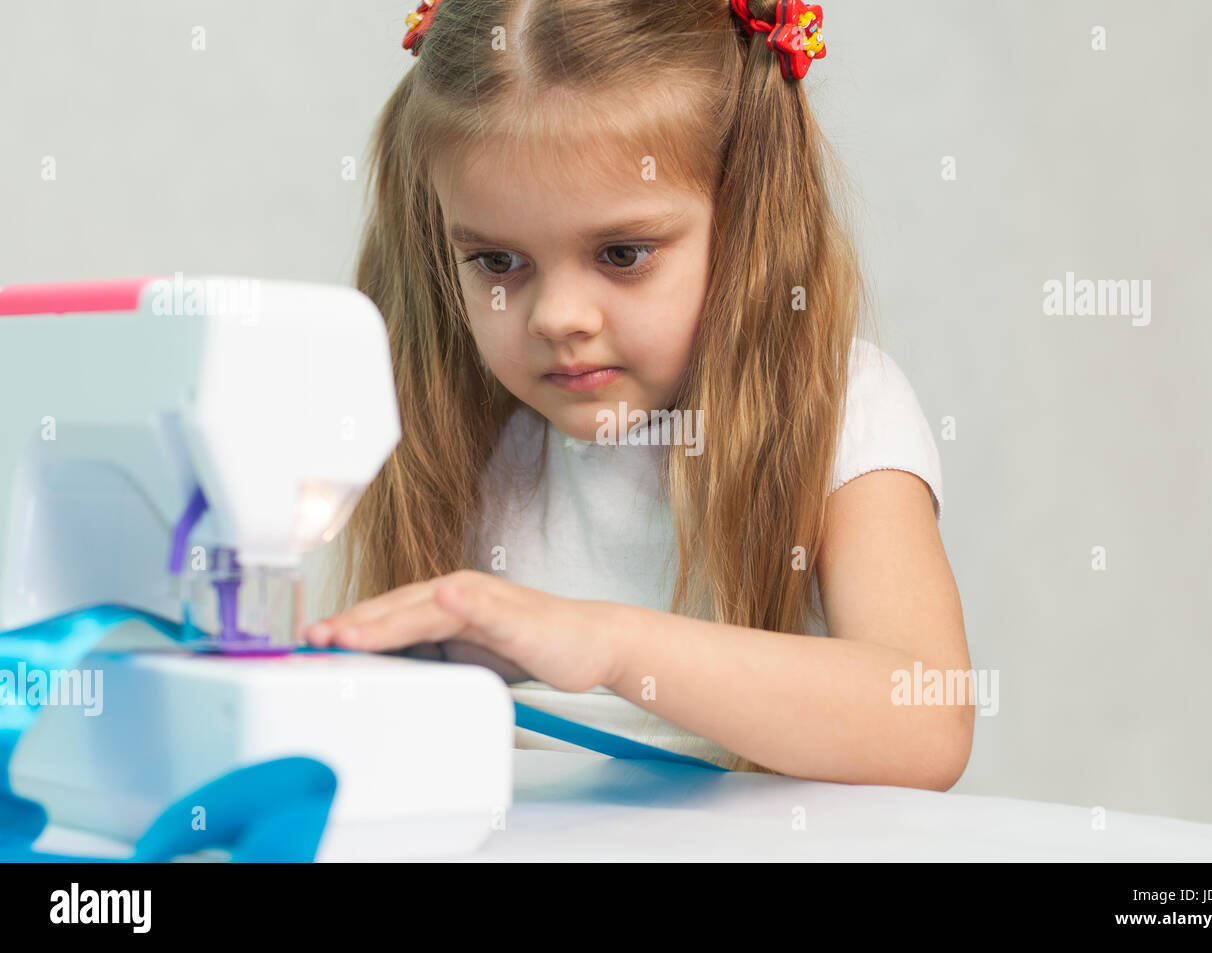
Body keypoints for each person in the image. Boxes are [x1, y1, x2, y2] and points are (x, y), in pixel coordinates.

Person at [305, 0, 972, 786]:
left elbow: (929, 722)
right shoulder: (464, 428)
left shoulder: (843, 408)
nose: (558, 317)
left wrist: (609, 645)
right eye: (496, 263)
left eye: (621, 253)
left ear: (746, 221)